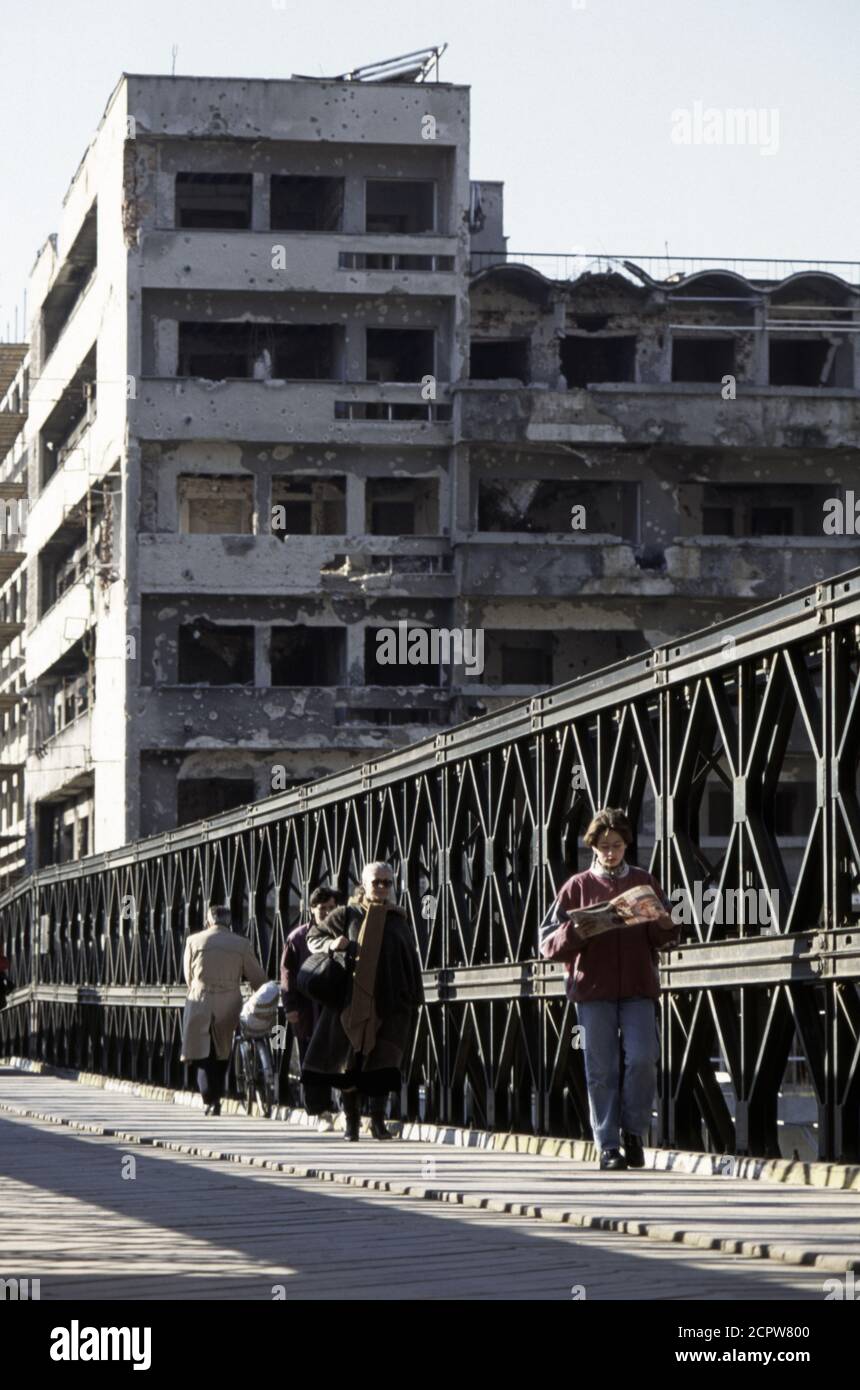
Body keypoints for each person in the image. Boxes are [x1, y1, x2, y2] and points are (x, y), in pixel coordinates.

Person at [540, 807, 678, 1172]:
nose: (611, 852)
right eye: (603, 847)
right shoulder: (577, 887)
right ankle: (608, 1146)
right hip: (592, 991)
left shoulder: (644, 880)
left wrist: (665, 921)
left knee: (642, 1060)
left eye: (616, 845)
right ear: (593, 848)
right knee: (600, 1069)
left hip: (638, 987)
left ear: (626, 845)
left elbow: (663, 938)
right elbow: (546, 944)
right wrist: (577, 930)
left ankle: (633, 1131)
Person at [301, 861, 424, 1142]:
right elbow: (313, 937)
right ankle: (352, 1124)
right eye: (376, 882)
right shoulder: (346, 914)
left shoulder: (398, 918)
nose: (381, 887)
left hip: (390, 1003)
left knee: (383, 1063)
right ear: (364, 885)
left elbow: (409, 962)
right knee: (350, 1064)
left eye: (387, 883)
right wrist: (332, 944)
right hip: (351, 1001)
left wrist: (412, 999)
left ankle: (378, 1122)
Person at [181, 904, 268, 1116]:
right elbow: (257, 977)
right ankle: (217, 1093)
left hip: (200, 999)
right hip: (229, 1001)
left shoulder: (194, 941)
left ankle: (210, 1098)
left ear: (209, 920)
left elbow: (188, 977)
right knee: (223, 1051)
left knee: (202, 1052)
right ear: (229, 921)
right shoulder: (241, 944)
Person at [280, 886, 340, 1129]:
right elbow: (287, 975)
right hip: (307, 1010)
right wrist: (290, 1006)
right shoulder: (297, 938)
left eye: (330, 908)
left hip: (334, 1008)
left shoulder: (343, 935)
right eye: (321, 908)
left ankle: (341, 1107)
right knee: (311, 1059)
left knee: (335, 1058)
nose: (326, 913)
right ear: (311, 909)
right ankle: (320, 1110)